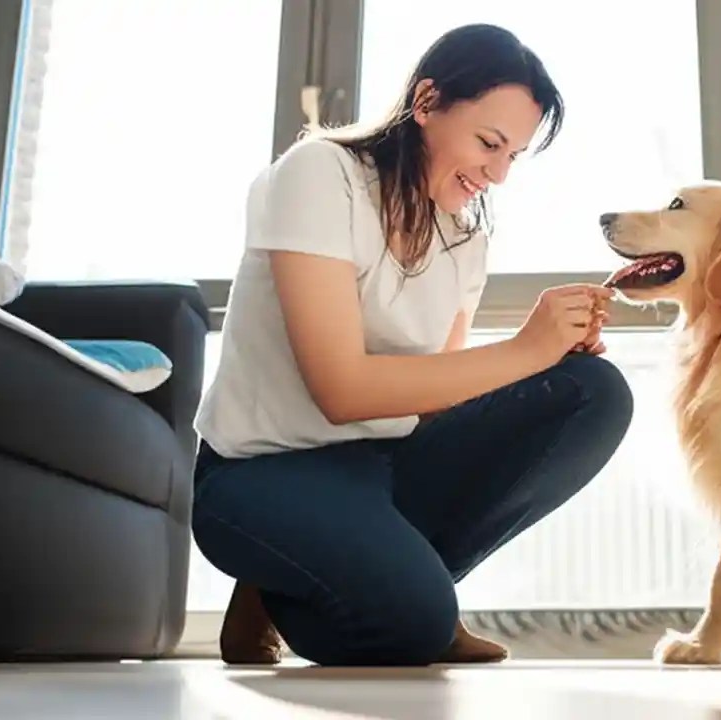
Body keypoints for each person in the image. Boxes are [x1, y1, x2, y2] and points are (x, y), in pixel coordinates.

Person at [189, 23, 633, 667]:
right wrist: (523, 351)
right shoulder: (320, 174)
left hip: (379, 469)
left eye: (514, 156)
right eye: (489, 143)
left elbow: (432, 405)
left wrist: (546, 362)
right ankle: (295, 583)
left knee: (593, 392)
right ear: (426, 103)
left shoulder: (465, 236)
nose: (498, 174)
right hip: (261, 471)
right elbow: (340, 391)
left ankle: (392, 580)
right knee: (414, 627)